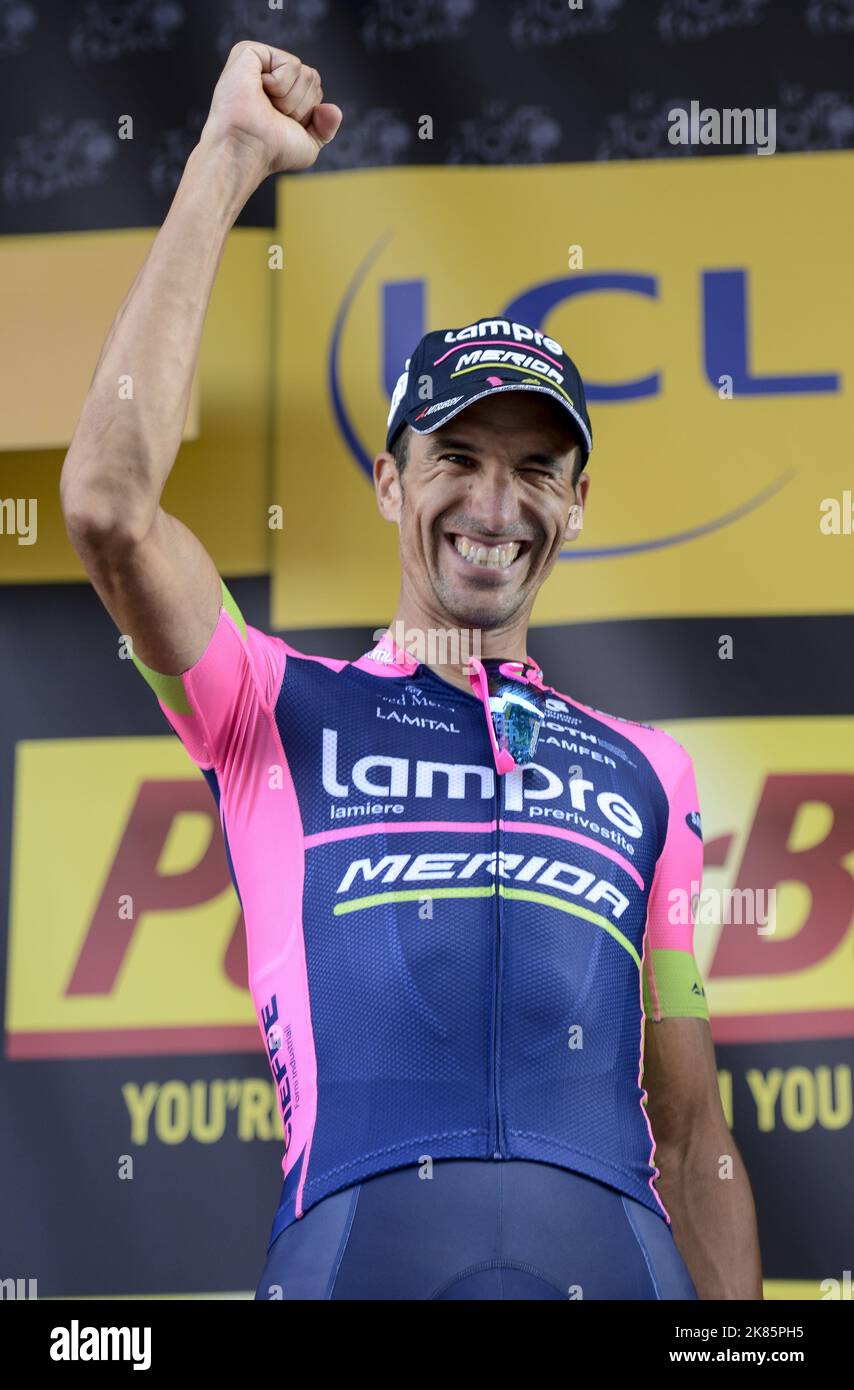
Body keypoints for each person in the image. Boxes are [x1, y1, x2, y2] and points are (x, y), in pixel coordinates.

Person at [60, 40, 763, 1300]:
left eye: (536, 467)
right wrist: (227, 161)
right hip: (356, 1263)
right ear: (388, 480)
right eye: (457, 456)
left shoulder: (648, 775)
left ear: (576, 505)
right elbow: (109, 505)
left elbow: (692, 1131)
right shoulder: (271, 709)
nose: (495, 502)